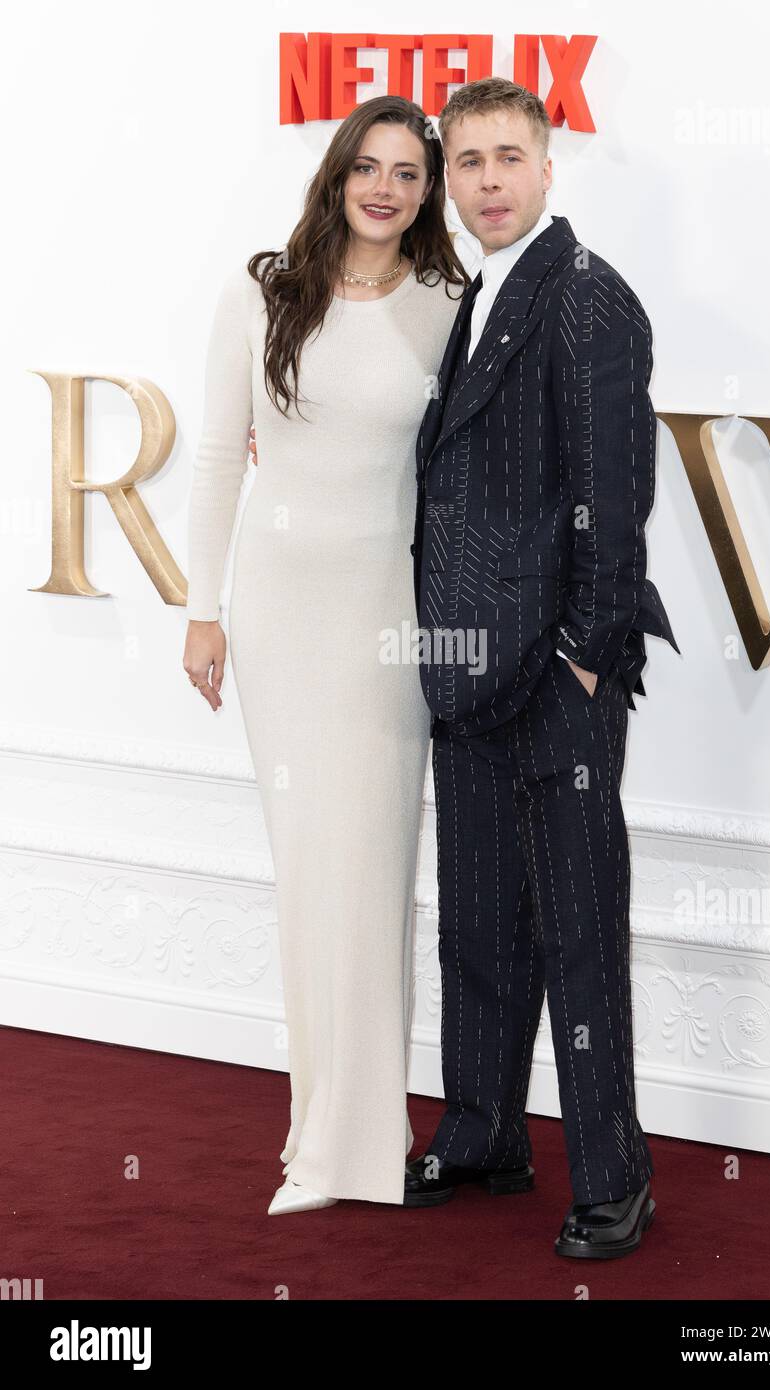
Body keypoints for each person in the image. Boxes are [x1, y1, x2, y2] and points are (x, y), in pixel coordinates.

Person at [403, 77, 680, 1259]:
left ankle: (613, 1174)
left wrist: (581, 657)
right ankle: (483, 1132)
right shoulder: (470, 297)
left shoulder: (586, 299)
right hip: (464, 664)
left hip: (555, 673)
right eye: (466, 164)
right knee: (474, 919)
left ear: (549, 164)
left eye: (507, 158)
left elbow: (616, 506)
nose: (488, 183)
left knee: (576, 930)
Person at [183, 95, 467, 1214]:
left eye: (408, 172)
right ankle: (323, 1134)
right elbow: (216, 456)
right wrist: (203, 608)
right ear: (336, 174)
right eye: (368, 166)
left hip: (385, 622)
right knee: (310, 872)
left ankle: (356, 1141)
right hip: (276, 616)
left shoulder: (447, 302)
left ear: (426, 190)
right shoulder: (262, 292)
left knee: (372, 873)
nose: (386, 188)